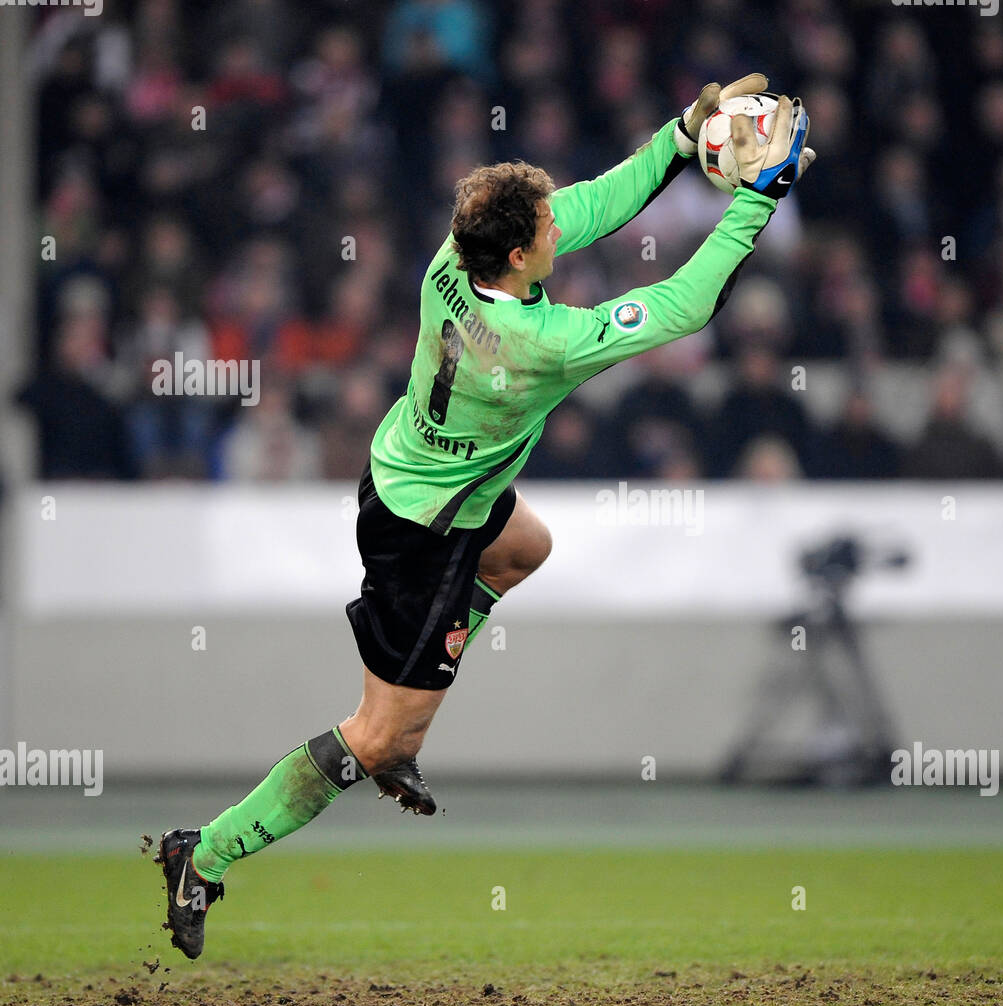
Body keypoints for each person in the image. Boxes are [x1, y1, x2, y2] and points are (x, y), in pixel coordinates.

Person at [157, 76, 814, 958]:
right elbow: (684, 305)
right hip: (425, 536)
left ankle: (417, 690)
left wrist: (680, 133)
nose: (560, 226)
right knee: (381, 733)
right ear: (514, 257)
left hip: (418, 482)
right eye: (545, 227)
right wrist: (755, 203)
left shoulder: (452, 256)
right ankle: (205, 852)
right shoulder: (538, 346)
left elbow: (589, 203)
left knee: (527, 547)